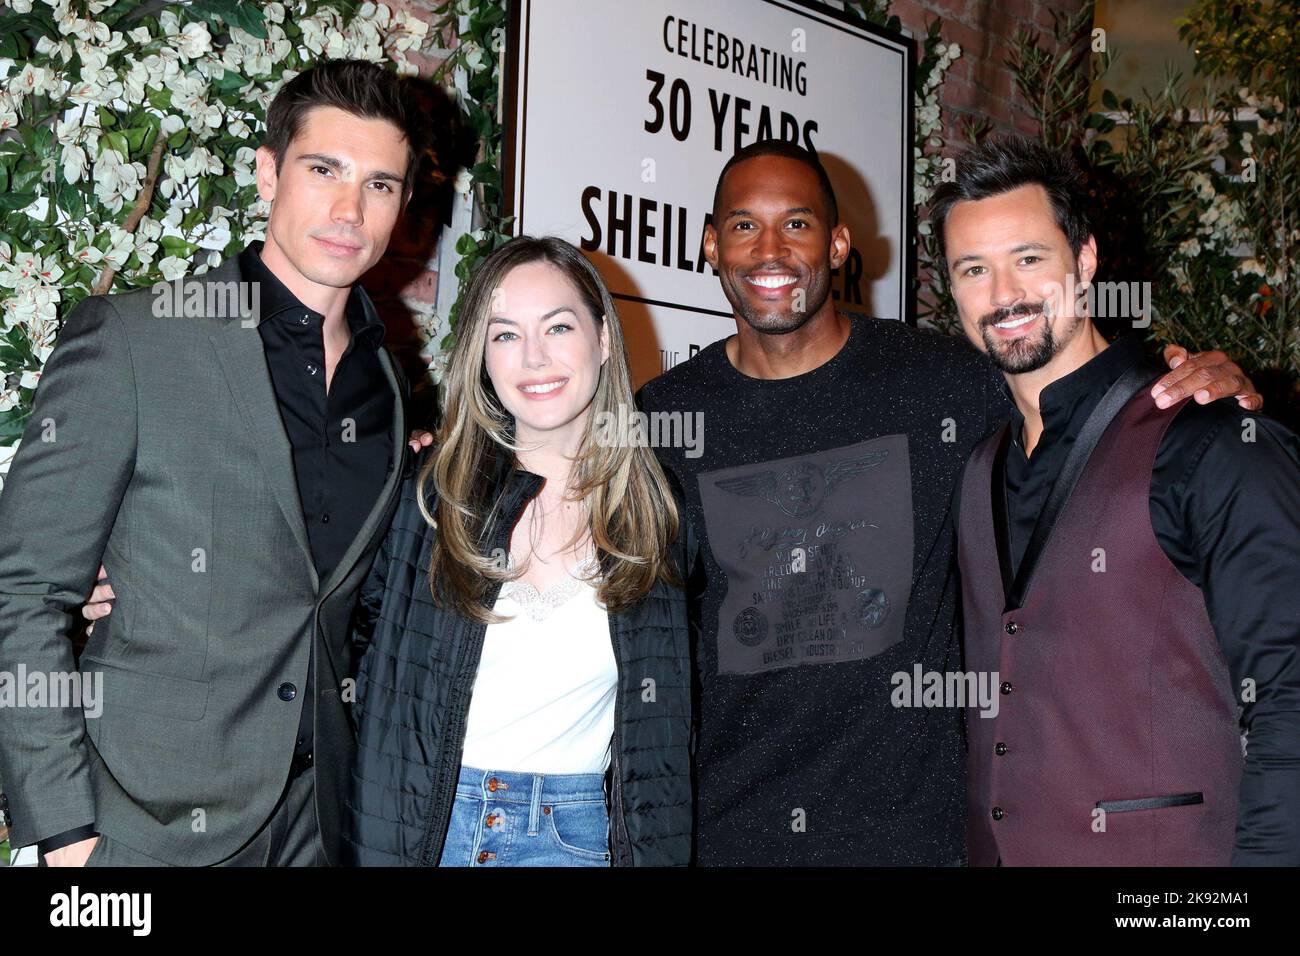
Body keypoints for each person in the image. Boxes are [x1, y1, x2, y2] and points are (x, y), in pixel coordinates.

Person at [636, 137, 1262, 866]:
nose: (770, 249)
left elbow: (1078, 388)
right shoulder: (663, 420)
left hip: (921, 838)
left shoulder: (947, 382)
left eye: (798, 223)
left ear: (838, 245)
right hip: (731, 836)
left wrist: (1198, 382)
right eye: (743, 225)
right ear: (711, 244)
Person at [0, 59, 431, 866]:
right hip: (138, 831)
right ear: (268, 173)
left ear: (403, 205)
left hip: (317, 830)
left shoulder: (390, 387)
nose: (349, 209)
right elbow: (22, 591)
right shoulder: (138, 339)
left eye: (379, 184)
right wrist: (64, 833)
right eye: (323, 170)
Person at [934, 136, 1300, 866]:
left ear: (1087, 260)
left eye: (1029, 258)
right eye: (974, 269)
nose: (1003, 293)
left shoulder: (1210, 440)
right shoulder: (976, 470)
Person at [343, 236, 694, 866]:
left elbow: (667, 745)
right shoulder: (425, 502)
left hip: (574, 838)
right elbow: (351, 660)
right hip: (422, 832)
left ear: (604, 339)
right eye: (505, 335)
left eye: (558, 327)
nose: (534, 358)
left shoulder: (659, 519)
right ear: (482, 356)